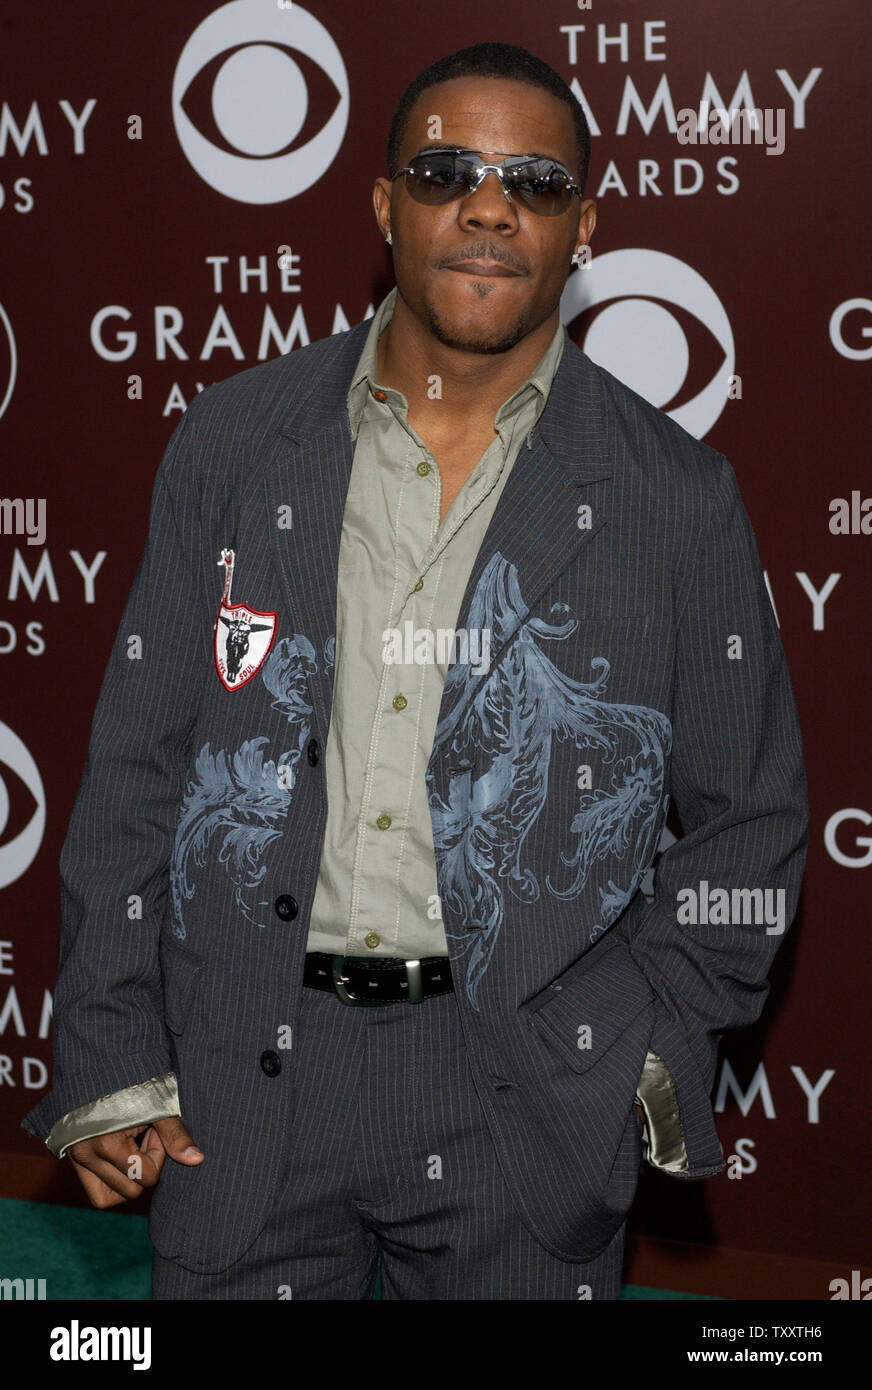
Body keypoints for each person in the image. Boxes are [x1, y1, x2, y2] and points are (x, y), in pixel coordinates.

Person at [23, 41, 808, 1301]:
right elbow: (138, 766)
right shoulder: (233, 440)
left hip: (522, 1089)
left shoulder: (676, 499)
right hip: (248, 1078)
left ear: (583, 227)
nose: (489, 207)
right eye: (447, 171)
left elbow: (750, 822)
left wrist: (642, 1049)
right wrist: (113, 1046)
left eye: (535, 182)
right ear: (385, 204)